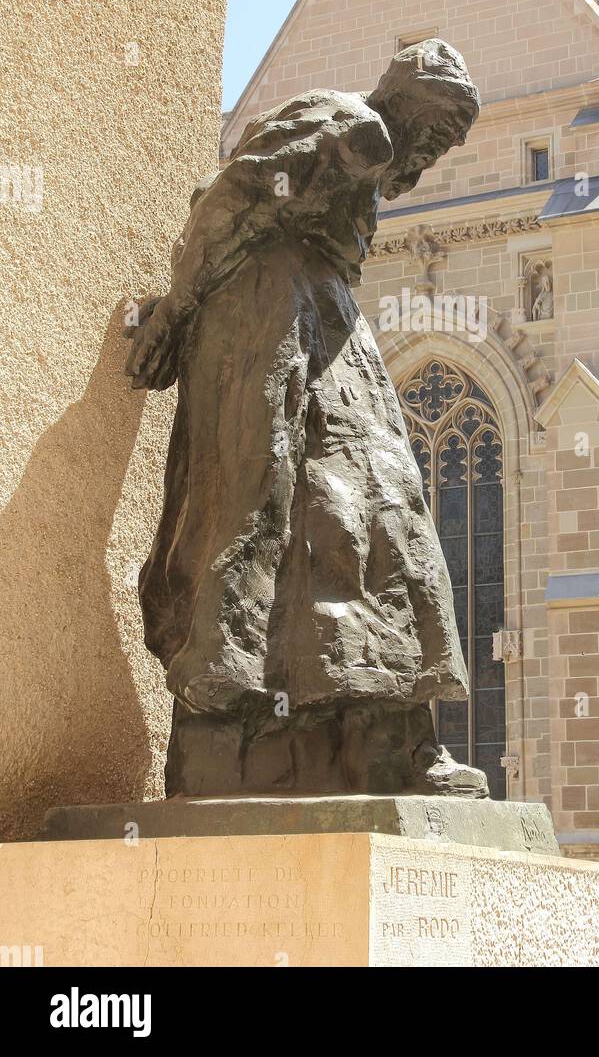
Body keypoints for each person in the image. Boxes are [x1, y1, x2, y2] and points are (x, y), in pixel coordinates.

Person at [127, 40, 488, 797]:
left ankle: (362, 737)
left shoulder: (368, 148)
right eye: (440, 126)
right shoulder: (358, 127)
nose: (439, 147)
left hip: (320, 322)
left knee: (358, 514)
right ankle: (278, 731)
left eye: (449, 138)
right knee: (277, 509)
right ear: (409, 101)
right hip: (274, 316)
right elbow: (232, 197)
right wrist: (177, 312)